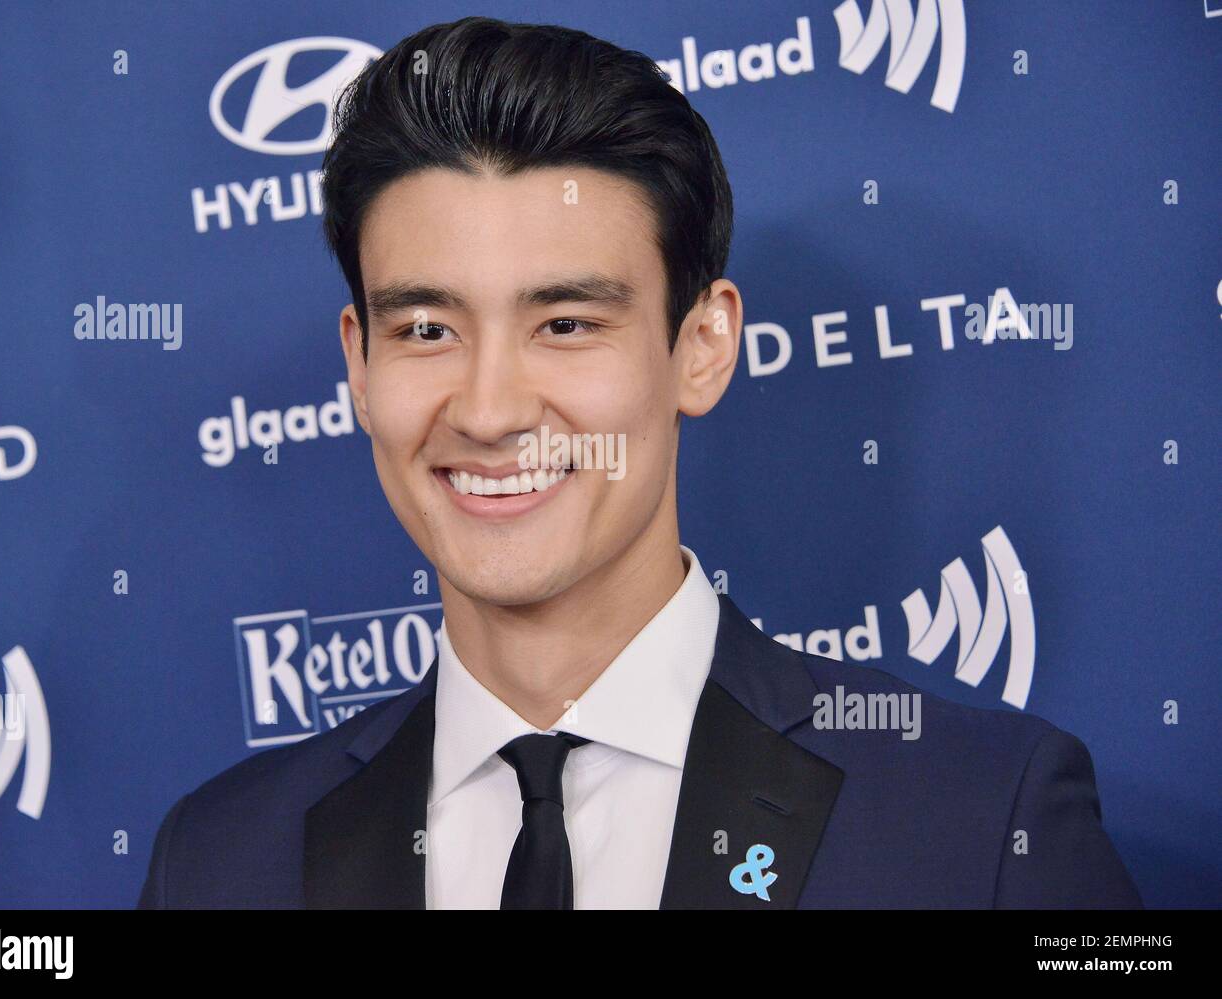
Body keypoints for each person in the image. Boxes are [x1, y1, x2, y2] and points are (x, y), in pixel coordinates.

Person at [138, 15, 1141, 909]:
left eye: (565, 322)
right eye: (428, 329)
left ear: (701, 346)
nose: (488, 411)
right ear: (358, 362)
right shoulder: (221, 861)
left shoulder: (977, 822)